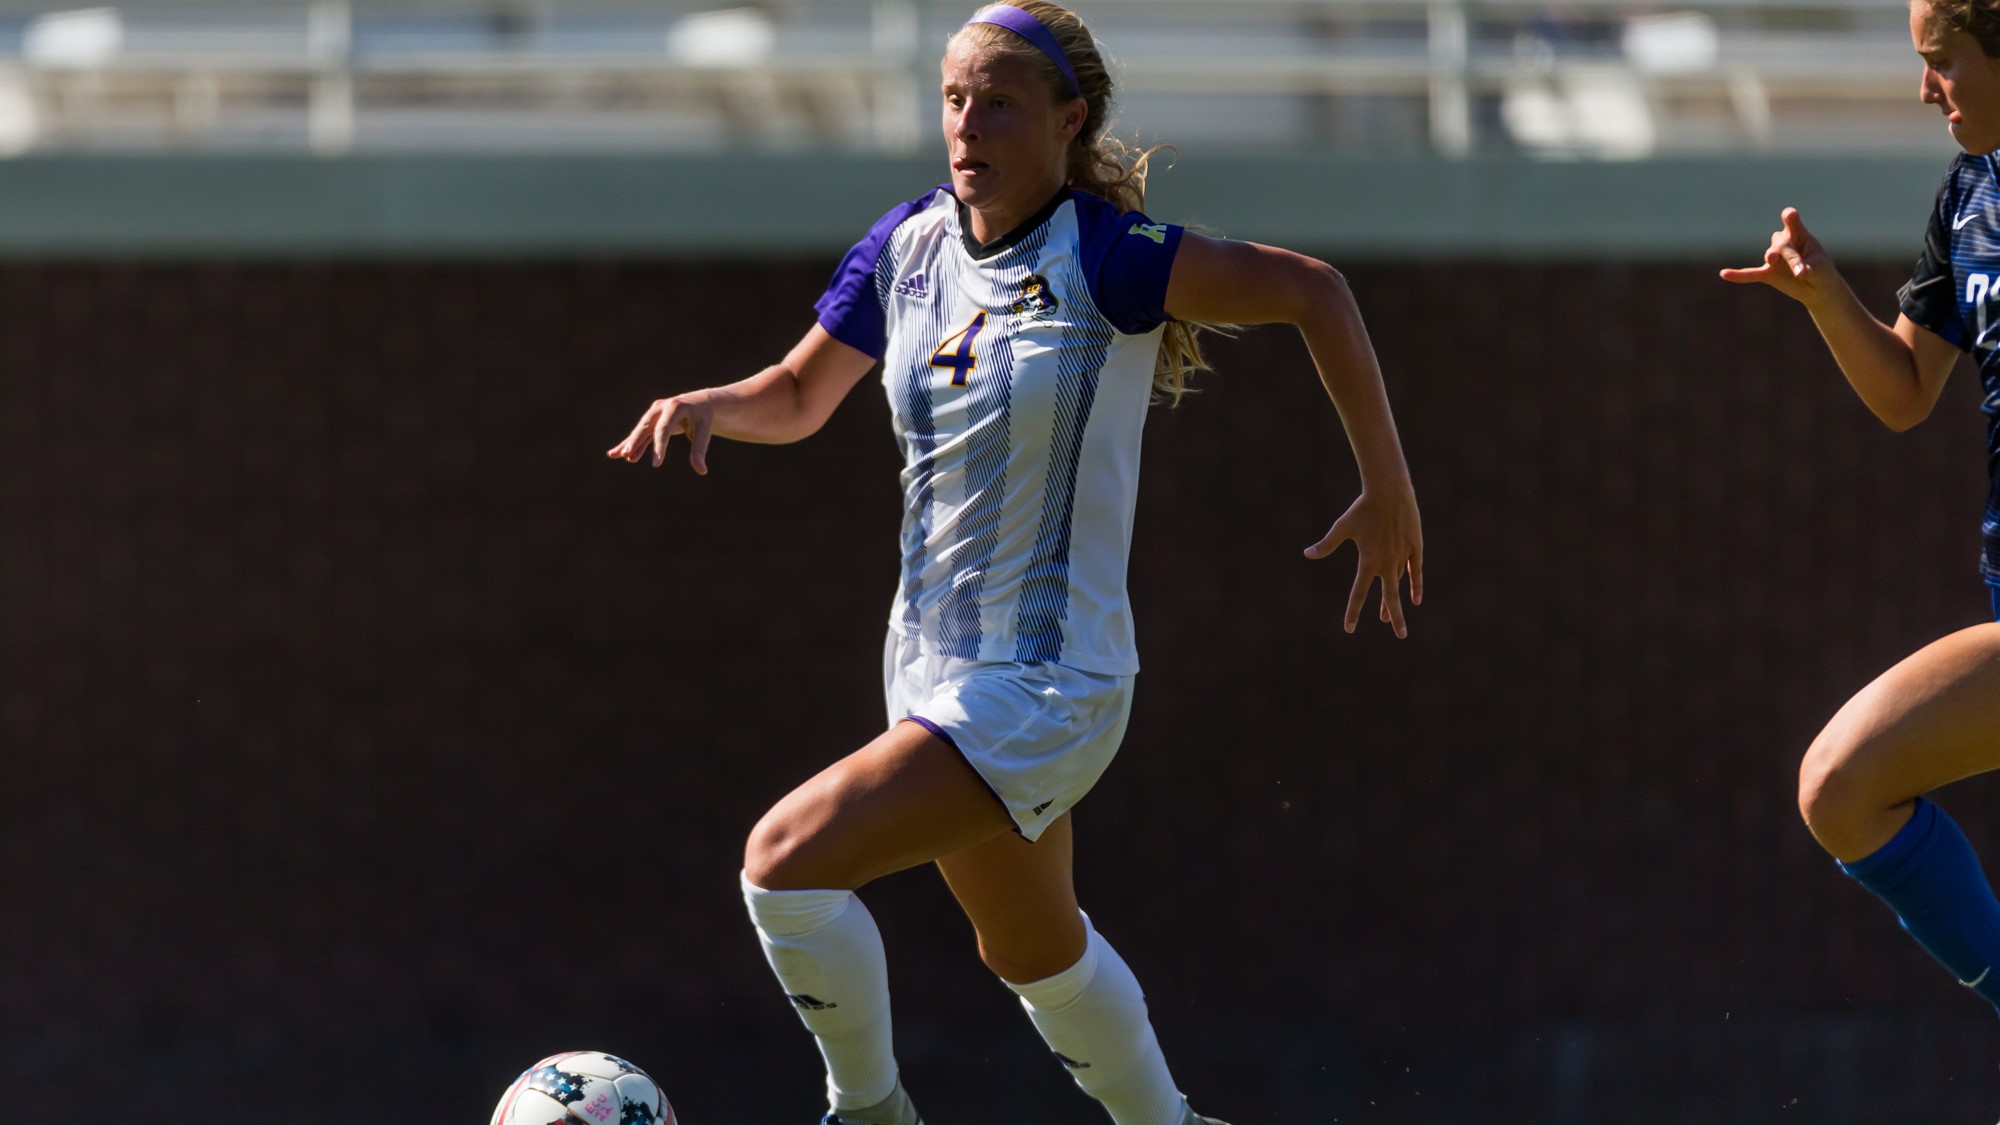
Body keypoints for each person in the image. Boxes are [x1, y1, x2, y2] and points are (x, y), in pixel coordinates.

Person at [608, 3, 1422, 1121]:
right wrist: (713, 405)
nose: (966, 123)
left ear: (1067, 118)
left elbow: (1311, 291)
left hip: (1047, 680)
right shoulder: (905, 248)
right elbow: (797, 396)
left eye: (997, 99)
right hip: (931, 673)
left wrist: (1387, 484)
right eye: (953, 97)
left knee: (783, 865)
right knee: (1031, 947)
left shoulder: (1104, 256)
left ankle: (870, 1112)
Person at [1723, 0, 2000, 1021]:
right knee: (1840, 788)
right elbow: (1902, 392)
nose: (1924, 88)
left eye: (1941, 62)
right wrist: (1825, 297)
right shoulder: (1969, 191)